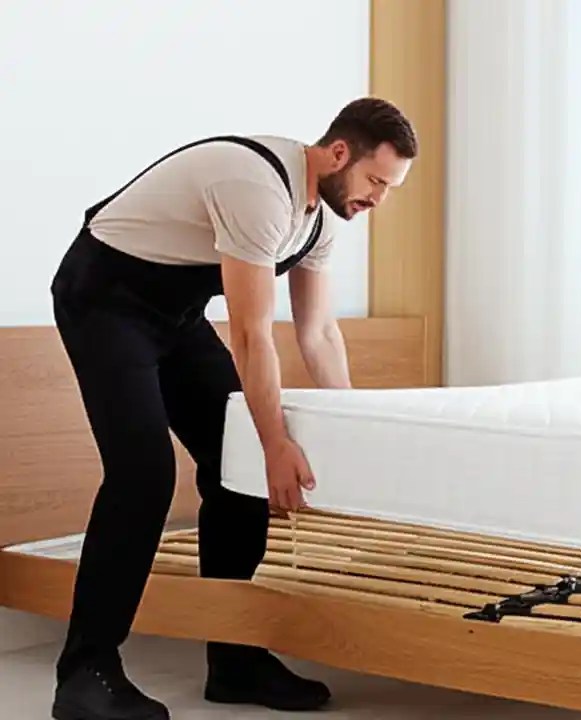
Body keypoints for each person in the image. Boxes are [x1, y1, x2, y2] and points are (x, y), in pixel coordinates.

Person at [49, 97, 417, 720]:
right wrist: (275, 443)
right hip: (104, 299)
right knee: (143, 474)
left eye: (391, 187)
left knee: (234, 465)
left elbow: (318, 333)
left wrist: (359, 433)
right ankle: (86, 672)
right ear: (337, 154)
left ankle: (236, 659)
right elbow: (251, 334)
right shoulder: (256, 187)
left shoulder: (321, 218)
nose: (379, 198)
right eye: (376, 181)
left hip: (173, 315)